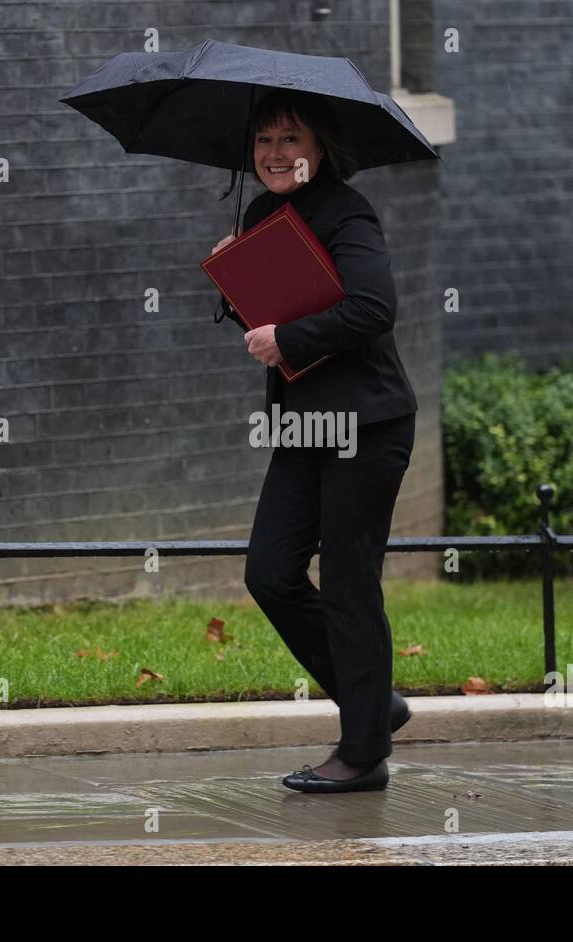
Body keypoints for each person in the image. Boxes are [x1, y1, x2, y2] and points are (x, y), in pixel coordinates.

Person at [209, 90, 419, 793]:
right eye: (264, 138)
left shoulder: (346, 213)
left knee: (350, 583)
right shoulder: (263, 215)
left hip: (368, 424)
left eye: (290, 138)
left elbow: (371, 305)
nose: (274, 152)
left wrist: (288, 337)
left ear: (319, 147)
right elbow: (281, 304)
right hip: (306, 425)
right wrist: (233, 280)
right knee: (268, 571)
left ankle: (363, 755)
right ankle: (374, 704)